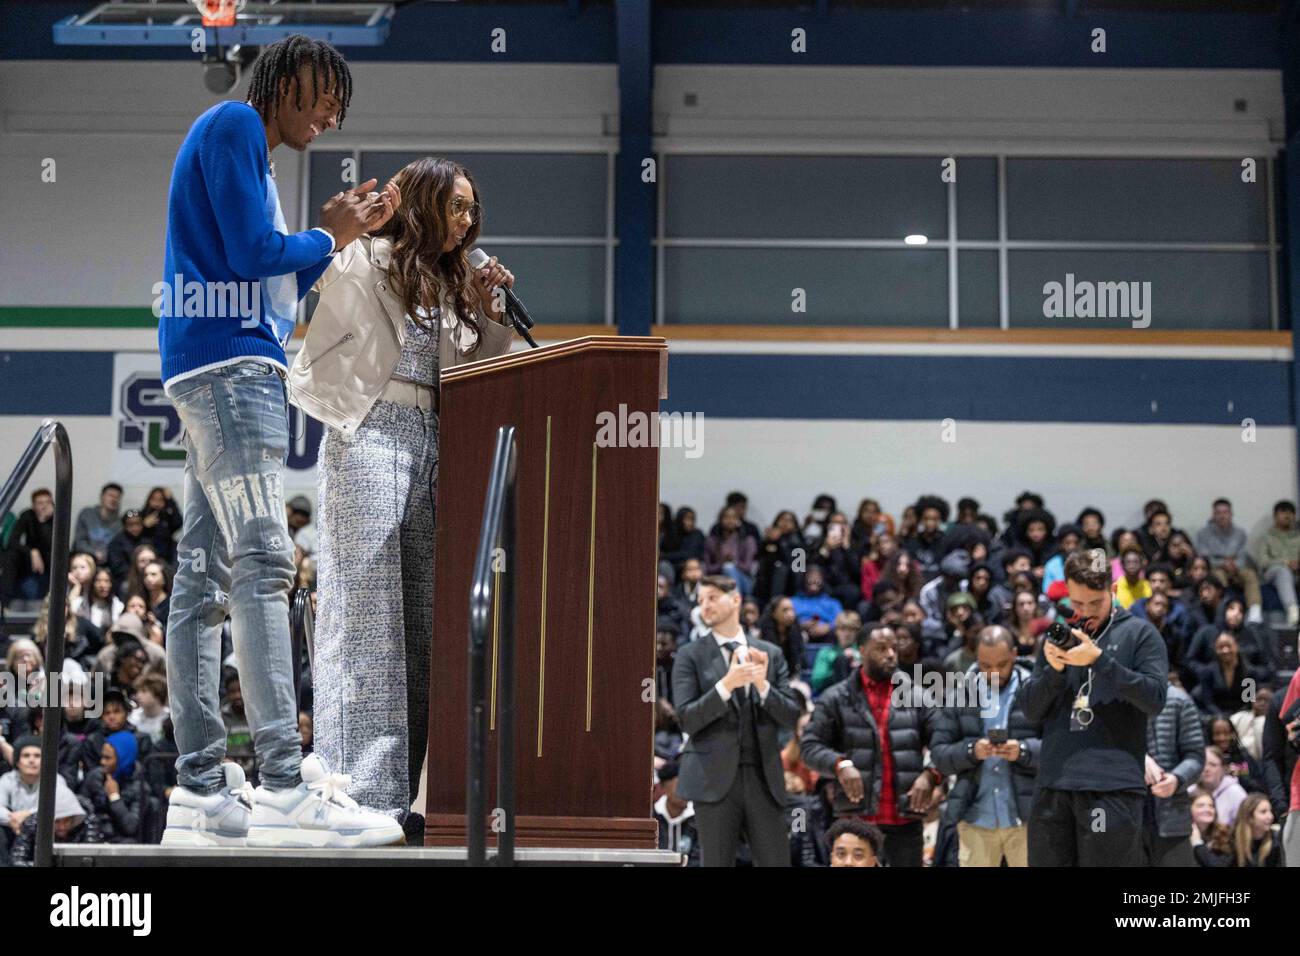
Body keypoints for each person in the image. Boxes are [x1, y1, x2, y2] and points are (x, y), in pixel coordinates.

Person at [158, 34, 402, 848]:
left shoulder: (250, 157)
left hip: (213, 368)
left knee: (201, 578)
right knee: (261, 564)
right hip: (231, 374)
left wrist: (344, 236)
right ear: (287, 83)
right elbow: (252, 255)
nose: (333, 114)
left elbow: (277, 279)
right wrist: (327, 237)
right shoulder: (233, 124)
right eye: (327, 95)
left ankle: (198, 789)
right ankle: (284, 785)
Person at [290, 156, 516, 828]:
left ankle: (401, 795)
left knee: (422, 616)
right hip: (370, 430)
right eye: (456, 206)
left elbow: (482, 369)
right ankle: (350, 786)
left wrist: (491, 307)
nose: (468, 220)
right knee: (365, 609)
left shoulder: (456, 281)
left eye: (473, 209)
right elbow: (302, 277)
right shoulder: (367, 254)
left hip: (437, 437)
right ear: (422, 204)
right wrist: (344, 230)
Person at [1021, 550, 1168, 866]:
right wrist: (1054, 671)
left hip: (1111, 787)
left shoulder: (1141, 634)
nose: (1085, 612)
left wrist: (1101, 661)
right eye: (1077, 604)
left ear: (1112, 591)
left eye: (1095, 603)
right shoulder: (1060, 638)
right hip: (1053, 784)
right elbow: (1031, 710)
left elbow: (1154, 699)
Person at [670, 575, 801, 867]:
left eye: (713, 597)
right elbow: (687, 719)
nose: (705, 605)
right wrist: (726, 685)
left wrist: (762, 685)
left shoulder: (770, 653)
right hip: (711, 778)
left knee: (776, 862)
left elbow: (791, 715)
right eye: (701, 600)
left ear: (736, 599)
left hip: (764, 776)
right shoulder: (689, 655)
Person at [801, 624, 941, 867]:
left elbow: (944, 743)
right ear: (862, 650)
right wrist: (839, 763)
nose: (890, 654)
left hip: (905, 817)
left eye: (893, 648)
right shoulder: (835, 697)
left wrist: (931, 774)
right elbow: (810, 747)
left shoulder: (918, 696)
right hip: (855, 819)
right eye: (881, 648)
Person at [930, 625, 1041, 867]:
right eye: (985, 666)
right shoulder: (959, 693)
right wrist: (971, 751)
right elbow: (939, 754)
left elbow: (1057, 749)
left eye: (1001, 665)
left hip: (1028, 817)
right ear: (976, 659)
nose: (993, 673)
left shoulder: (1037, 691)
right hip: (975, 816)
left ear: (1013, 654)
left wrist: (1023, 751)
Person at [1142, 673, 1205, 866]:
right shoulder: (1113, 699)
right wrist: (1138, 758)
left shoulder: (1179, 700)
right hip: (1123, 816)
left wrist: (1177, 779)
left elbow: (1196, 756)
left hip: (1171, 818)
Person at [1195, 498, 1263, 624]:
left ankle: (1255, 612)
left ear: (1231, 514)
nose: (1222, 516)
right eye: (1218, 513)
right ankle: (1225, 608)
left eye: (1225, 512)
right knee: (1218, 576)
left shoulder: (1240, 533)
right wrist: (1222, 563)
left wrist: (1234, 564)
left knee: (1250, 574)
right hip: (1216, 568)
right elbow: (1204, 557)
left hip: (1236, 568)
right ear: (1213, 515)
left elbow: (1243, 556)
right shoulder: (1203, 534)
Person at [1257, 499, 1300, 626]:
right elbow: (1262, 562)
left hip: (1296, 573)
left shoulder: (1298, 537)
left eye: (1290, 513)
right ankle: (1293, 610)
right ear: (1275, 516)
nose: (1287, 516)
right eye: (1283, 512)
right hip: (1273, 573)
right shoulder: (1266, 537)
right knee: (1283, 571)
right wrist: (1286, 562)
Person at [653, 761, 700, 866]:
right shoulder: (652, 818)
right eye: (680, 786)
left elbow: (699, 858)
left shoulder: (697, 821)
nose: (685, 792)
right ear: (664, 788)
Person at [10, 489, 54, 600]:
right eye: (40, 503)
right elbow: (13, 540)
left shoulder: (57, 518)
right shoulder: (27, 515)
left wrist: (44, 521)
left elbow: (52, 544)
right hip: (28, 561)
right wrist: (32, 551)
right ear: (33, 506)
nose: (44, 506)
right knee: (11, 556)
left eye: (48, 502)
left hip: (50, 561)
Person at [1190, 746, 1248, 827]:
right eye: (1203, 764)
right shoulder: (1190, 791)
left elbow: (1244, 826)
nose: (1206, 769)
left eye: (1213, 765)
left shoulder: (1236, 793)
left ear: (1223, 768)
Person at [73, 483, 123, 569]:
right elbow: (79, 542)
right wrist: (94, 553)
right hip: (84, 561)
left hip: (108, 566)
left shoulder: (120, 523)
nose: (114, 499)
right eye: (111, 495)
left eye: (117, 497)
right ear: (102, 497)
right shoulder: (87, 514)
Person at [1230, 793, 1283, 866]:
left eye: (1270, 811)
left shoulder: (1277, 841)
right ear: (1249, 817)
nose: (1270, 816)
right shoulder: (1232, 841)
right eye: (1263, 812)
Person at [1189, 791, 1234, 867]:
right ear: (1189, 809)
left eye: (1211, 806)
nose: (1207, 809)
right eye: (1200, 806)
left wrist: (1197, 843)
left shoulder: (1225, 835)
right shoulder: (1179, 835)